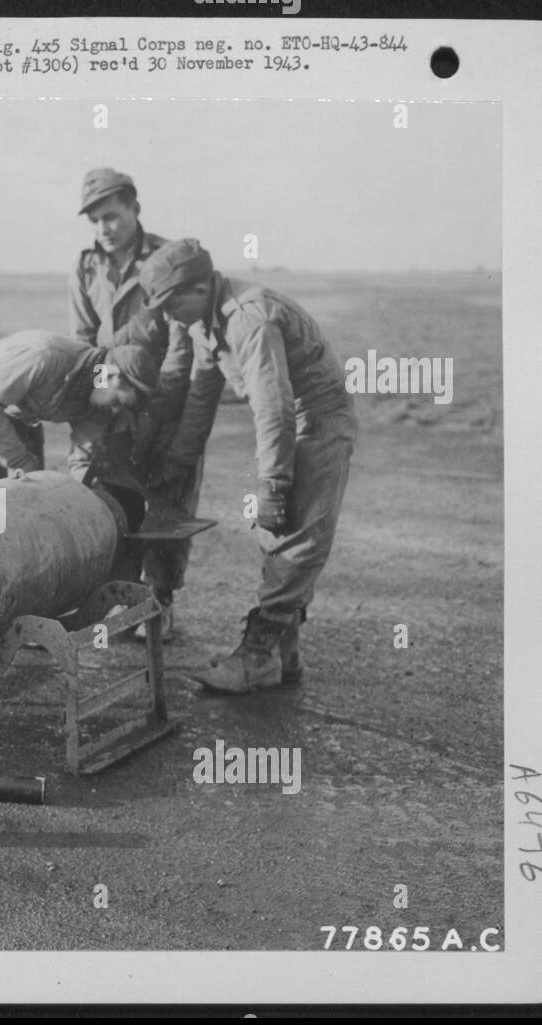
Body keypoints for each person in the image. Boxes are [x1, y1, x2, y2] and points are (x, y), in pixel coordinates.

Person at [138, 238, 359, 693]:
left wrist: (273, 485)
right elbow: (201, 397)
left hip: (315, 419)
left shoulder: (249, 319)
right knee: (276, 532)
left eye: (169, 302)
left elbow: (273, 406)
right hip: (290, 420)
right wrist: (177, 462)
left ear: (198, 287)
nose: (165, 316)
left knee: (293, 534)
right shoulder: (204, 322)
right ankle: (283, 656)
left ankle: (258, 656)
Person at [69, 168, 204, 639]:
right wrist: (105, 392)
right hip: (109, 399)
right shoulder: (87, 267)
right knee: (107, 497)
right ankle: (118, 597)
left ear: (135, 209)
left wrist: (161, 408)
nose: (104, 228)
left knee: (166, 502)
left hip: (162, 397)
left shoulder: (167, 260)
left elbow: (184, 340)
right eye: (96, 220)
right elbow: (83, 341)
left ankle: (160, 603)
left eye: (112, 215)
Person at [0, 331, 157, 488]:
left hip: (17, 414)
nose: (115, 410)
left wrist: (88, 498)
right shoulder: (46, 357)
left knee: (31, 499)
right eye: (119, 402)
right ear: (113, 375)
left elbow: (83, 463)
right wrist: (19, 461)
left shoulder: (98, 395)